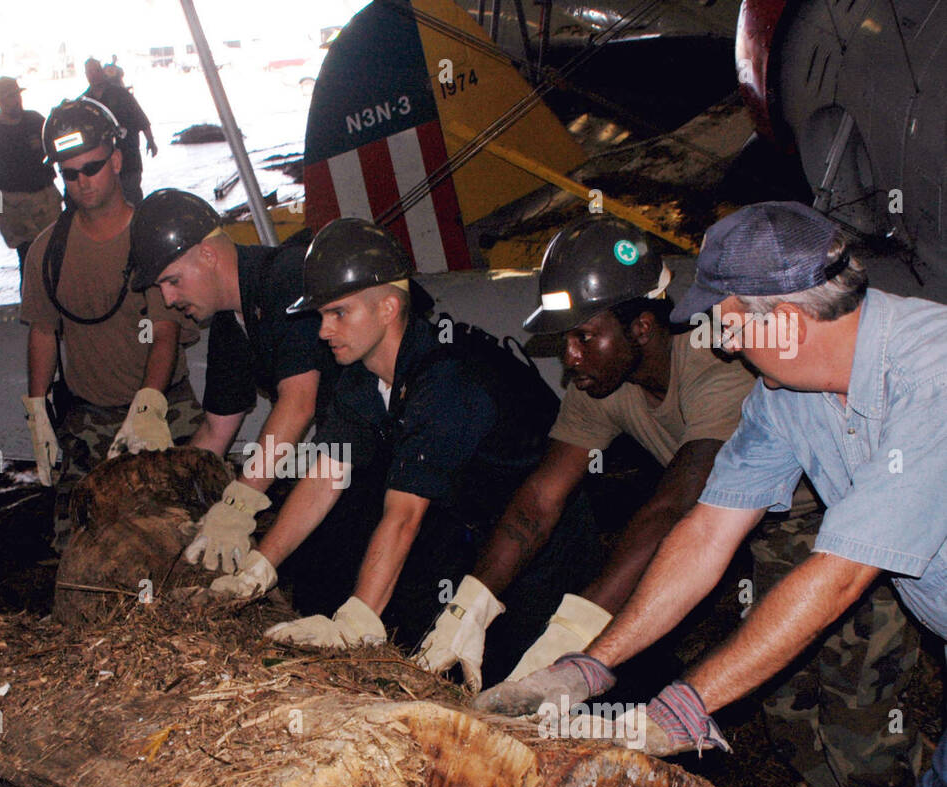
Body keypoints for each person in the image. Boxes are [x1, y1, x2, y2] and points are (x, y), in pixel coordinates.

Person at [482, 202, 947, 787]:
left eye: (727, 322)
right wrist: (585, 667)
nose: (720, 343)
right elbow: (706, 531)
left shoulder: (934, 373)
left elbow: (841, 574)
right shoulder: (783, 396)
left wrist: (683, 705)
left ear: (783, 323)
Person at [208, 218, 585, 653]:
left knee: (528, 681)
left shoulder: (448, 378)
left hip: (542, 547)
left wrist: (356, 620)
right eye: (321, 315)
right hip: (474, 535)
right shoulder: (365, 376)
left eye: (338, 313)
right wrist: (258, 569)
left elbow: (404, 515)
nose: (323, 330)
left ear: (388, 309)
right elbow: (325, 478)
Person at [416, 215, 752, 691]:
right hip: (729, 524)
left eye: (583, 337)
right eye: (565, 339)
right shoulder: (599, 383)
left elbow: (672, 510)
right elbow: (537, 504)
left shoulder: (716, 365)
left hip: (809, 522)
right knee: (788, 711)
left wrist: (573, 635)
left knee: (840, 699)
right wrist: (471, 603)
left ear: (641, 327)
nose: (569, 357)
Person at [127, 188, 340, 577]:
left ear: (207, 255)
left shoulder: (288, 277)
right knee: (313, 578)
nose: (169, 299)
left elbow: (298, 402)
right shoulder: (228, 322)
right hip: (346, 451)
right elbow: (214, 431)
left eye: (171, 281)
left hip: (407, 434)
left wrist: (240, 503)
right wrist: (165, 504)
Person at [19, 99, 200, 552]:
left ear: (116, 160)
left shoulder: (154, 240)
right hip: (90, 416)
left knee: (198, 528)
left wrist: (148, 406)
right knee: (75, 542)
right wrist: (37, 409)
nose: (81, 181)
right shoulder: (47, 251)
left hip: (165, 404)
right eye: (70, 173)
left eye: (92, 167)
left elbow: (165, 332)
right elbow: (42, 330)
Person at [0, 77, 62, 283]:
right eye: (8, 98)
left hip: (45, 196)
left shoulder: (37, 121)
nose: (15, 101)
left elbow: (59, 155)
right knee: (27, 256)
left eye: (16, 95)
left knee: (55, 253)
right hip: (9, 201)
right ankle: (33, 306)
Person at [83, 57, 156, 204]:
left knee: (132, 199)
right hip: (102, 168)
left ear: (102, 72)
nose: (94, 75)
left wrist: (151, 141)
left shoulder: (122, 95)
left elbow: (140, 118)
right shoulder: (84, 102)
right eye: (90, 72)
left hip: (128, 160)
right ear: (86, 75)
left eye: (97, 70)